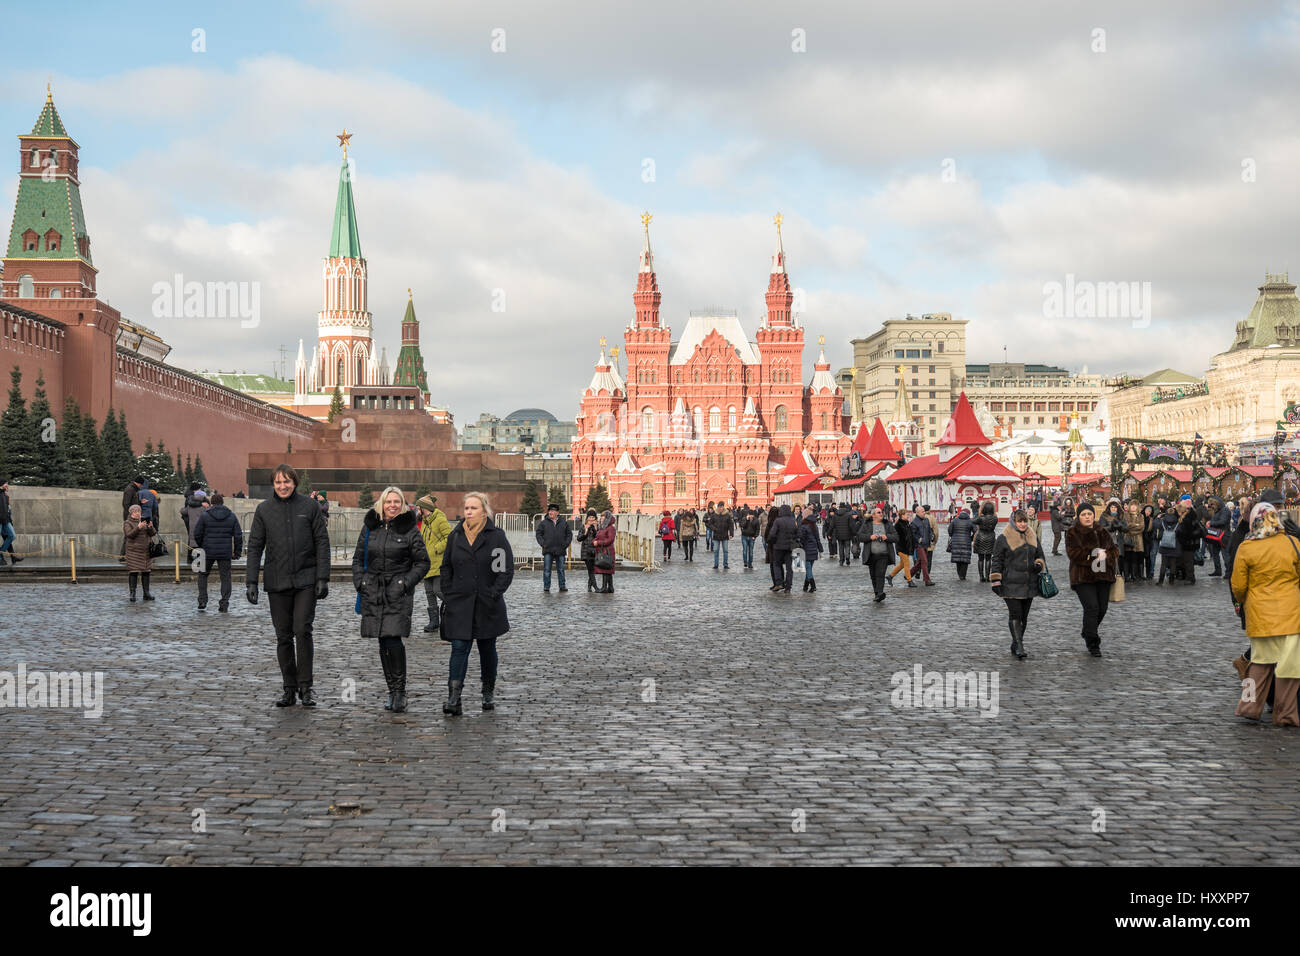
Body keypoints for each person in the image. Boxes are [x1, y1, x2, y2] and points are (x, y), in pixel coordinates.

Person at [245, 463, 331, 707]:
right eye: (278, 482)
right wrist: (251, 581)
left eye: (287, 481)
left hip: (306, 579)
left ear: (294, 482)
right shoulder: (264, 510)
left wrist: (322, 577)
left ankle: (306, 687)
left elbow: (322, 542)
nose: (283, 486)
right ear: (273, 485)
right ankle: (289, 688)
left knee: (302, 630)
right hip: (277, 580)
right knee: (283, 636)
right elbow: (254, 547)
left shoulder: (310, 506)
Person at [353, 487, 430, 713]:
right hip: (374, 591)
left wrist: (404, 583)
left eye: (397, 501)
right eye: (389, 501)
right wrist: (362, 582)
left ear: (403, 504)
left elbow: (422, 563)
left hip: (397, 593)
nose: (393, 505)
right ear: (382, 503)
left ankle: (399, 692)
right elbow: (358, 558)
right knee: (382, 641)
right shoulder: (370, 527)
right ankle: (391, 689)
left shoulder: (410, 530)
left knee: (393, 639)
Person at [439, 491, 514, 715]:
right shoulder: (456, 536)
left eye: (473, 508)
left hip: (487, 604)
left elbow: (504, 571)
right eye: (466, 508)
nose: (468, 512)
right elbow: (446, 568)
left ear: (484, 510)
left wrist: (493, 594)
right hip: (460, 604)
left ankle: (487, 692)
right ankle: (454, 698)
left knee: (487, 649)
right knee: (459, 649)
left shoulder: (496, 536)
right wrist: (449, 594)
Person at [1231, 502, 1300, 726]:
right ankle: (1286, 715)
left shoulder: (1247, 547)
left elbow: (1239, 586)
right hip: (1291, 614)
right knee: (1289, 669)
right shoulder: (1292, 542)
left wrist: (1243, 602)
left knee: (1259, 665)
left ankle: (1248, 707)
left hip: (1261, 616)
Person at [990, 508, 1046, 659]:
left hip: (1029, 583)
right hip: (1010, 583)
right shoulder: (1004, 537)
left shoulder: (1032, 535)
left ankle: (1015, 643)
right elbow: (997, 559)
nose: (1022, 524)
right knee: (1016, 614)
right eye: (1019, 521)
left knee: (1024, 617)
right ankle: (1019, 645)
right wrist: (996, 580)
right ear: (1014, 522)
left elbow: (1040, 555)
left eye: (1024, 521)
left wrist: (1039, 564)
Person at [1065, 501, 1118, 657]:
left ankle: (1087, 630)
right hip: (1083, 577)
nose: (1087, 517)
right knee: (1092, 608)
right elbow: (1073, 554)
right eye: (1084, 514)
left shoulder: (1102, 531)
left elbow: (1114, 550)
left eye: (1089, 514)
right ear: (1078, 516)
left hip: (1103, 576)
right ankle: (1093, 642)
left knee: (1102, 609)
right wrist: (1094, 555)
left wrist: (1107, 555)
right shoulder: (1072, 532)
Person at [193, 493, 242, 612]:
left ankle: (202, 600)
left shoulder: (205, 516)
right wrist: (237, 552)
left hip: (207, 550)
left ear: (212, 503)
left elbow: (197, 533)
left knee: (203, 575)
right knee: (225, 577)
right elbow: (238, 536)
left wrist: (201, 546)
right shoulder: (231, 516)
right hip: (225, 552)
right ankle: (224, 603)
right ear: (223, 502)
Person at [416, 494, 451, 631]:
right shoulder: (424, 522)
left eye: (420, 509)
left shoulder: (440, 519)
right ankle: (434, 622)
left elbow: (449, 537)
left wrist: (437, 548)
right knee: (429, 593)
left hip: (439, 562)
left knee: (438, 590)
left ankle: (457, 608)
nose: (418, 512)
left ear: (426, 508)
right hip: (427, 563)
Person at [861, 505, 897, 602]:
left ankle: (880, 592)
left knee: (880, 574)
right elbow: (859, 536)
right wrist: (870, 537)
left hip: (884, 554)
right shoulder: (867, 524)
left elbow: (896, 537)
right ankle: (877, 593)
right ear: (873, 515)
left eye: (881, 512)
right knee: (873, 575)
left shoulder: (888, 524)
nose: (881, 514)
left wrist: (887, 537)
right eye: (878, 512)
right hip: (871, 554)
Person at [123, 503, 157, 602]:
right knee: (133, 572)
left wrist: (150, 527)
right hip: (133, 551)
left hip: (146, 551)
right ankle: (132, 593)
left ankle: (146, 593)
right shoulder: (127, 523)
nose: (137, 513)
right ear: (131, 513)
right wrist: (138, 527)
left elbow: (153, 533)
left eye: (139, 511)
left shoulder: (144, 521)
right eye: (135, 512)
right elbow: (129, 535)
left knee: (146, 572)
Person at [536, 503, 573, 592]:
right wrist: (543, 544)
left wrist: (565, 544)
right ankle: (546, 586)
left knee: (560, 569)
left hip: (560, 549)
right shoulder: (543, 523)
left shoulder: (564, 523)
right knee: (547, 569)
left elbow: (569, 534)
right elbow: (538, 534)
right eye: (549, 511)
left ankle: (562, 586)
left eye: (552, 511)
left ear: (557, 512)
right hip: (548, 549)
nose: (550, 512)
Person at [767, 504, 797, 593]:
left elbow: (772, 534)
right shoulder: (793, 520)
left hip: (778, 547)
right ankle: (788, 586)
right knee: (789, 568)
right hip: (789, 547)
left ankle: (779, 582)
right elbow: (798, 532)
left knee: (776, 564)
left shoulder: (778, 521)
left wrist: (771, 541)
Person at [1175, 494, 1204, 585]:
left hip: (1188, 543)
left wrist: (1180, 536)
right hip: (1191, 543)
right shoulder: (1191, 515)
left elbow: (1186, 532)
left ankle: (1190, 578)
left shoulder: (1187, 518)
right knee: (1188, 561)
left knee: (1188, 562)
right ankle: (1189, 577)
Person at [887, 508, 916, 588]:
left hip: (906, 547)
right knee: (907, 563)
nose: (908, 516)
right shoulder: (898, 525)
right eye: (906, 514)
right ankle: (909, 581)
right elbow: (895, 536)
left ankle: (890, 576)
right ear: (902, 515)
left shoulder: (906, 523)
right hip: (901, 547)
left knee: (902, 564)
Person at [972, 501, 998, 582]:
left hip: (981, 537)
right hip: (990, 537)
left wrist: (979, 513)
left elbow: (973, 521)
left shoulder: (980, 518)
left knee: (980, 559)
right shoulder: (995, 518)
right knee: (988, 558)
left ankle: (981, 577)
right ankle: (987, 577)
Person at [910, 504, 935, 586]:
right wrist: (918, 539)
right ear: (917, 513)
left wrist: (931, 536)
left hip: (926, 544)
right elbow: (912, 534)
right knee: (924, 561)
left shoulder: (926, 520)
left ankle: (908, 575)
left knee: (920, 563)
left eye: (924, 511)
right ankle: (927, 580)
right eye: (923, 511)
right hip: (919, 545)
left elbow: (929, 530)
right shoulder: (914, 522)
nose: (924, 513)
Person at [1206, 496, 1231, 577]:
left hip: (1224, 536)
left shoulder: (1225, 510)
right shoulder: (1217, 511)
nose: (1211, 506)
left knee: (1225, 555)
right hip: (1216, 535)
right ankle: (1218, 570)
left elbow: (1223, 521)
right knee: (1215, 553)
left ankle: (1228, 572)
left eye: (1212, 504)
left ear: (1216, 503)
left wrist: (1211, 523)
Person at [1122, 500, 1145, 583]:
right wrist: (1136, 525)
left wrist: (1132, 528)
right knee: (1127, 558)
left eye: (1135, 505)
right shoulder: (1125, 515)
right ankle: (1127, 576)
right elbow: (1126, 526)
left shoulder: (1141, 516)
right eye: (1132, 505)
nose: (1133, 507)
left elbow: (1142, 528)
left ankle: (1134, 575)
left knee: (1134, 558)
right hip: (1128, 539)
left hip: (1138, 540)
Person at [947, 506, 974, 580]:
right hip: (966, 542)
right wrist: (971, 538)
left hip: (956, 542)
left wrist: (953, 535)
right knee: (965, 560)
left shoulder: (955, 520)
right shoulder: (970, 521)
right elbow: (975, 531)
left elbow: (949, 530)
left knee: (957, 559)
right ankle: (963, 575)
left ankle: (959, 574)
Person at [593, 510, 617, 592]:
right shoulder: (602, 527)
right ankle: (610, 587)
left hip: (607, 551)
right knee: (607, 569)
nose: (601, 518)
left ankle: (604, 587)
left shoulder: (611, 528)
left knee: (606, 569)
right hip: (602, 550)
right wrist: (594, 541)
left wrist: (598, 543)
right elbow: (598, 536)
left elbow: (610, 540)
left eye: (603, 517)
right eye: (601, 516)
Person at [576, 509, 600, 590]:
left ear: (595, 518)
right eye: (590, 517)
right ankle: (595, 586)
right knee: (590, 570)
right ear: (587, 518)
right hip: (586, 551)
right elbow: (579, 538)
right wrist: (585, 532)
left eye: (593, 517)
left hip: (595, 551)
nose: (591, 519)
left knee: (593, 569)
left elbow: (599, 538)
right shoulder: (583, 526)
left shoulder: (598, 526)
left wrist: (596, 529)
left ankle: (589, 586)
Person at [798, 511, 822, 592]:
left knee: (808, 569)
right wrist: (820, 549)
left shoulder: (804, 526)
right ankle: (805, 586)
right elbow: (818, 539)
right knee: (809, 568)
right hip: (814, 549)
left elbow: (802, 539)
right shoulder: (814, 526)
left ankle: (813, 586)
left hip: (806, 550)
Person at [0, 479, 19, 567]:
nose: (7, 485)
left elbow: (7, 509)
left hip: (6, 520)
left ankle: (1, 552)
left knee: (12, 536)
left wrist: (10, 520)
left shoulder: (4, 494)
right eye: (6, 484)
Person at [710, 502, 733, 570]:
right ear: (718, 507)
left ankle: (725, 564)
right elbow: (709, 524)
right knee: (716, 550)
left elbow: (731, 525)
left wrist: (731, 534)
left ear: (723, 507)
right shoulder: (714, 515)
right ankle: (716, 564)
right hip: (716, 536)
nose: (721, 508)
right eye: (719, 507)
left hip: (725, 535)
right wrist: (714, 529)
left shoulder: (727, 515)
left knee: (725, 551)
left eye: (722, 507)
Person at [1141, 504, 1159, 580]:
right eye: (1146, 510)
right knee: (1141, 559)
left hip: (1149, 541)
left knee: (1148, 558)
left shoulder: (1152, 520)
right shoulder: (1141, 518)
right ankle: (1141, 574)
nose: (1147, 512)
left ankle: (1149, 574)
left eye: (1149, 511)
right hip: (1141, 540)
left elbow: (1154, 530)